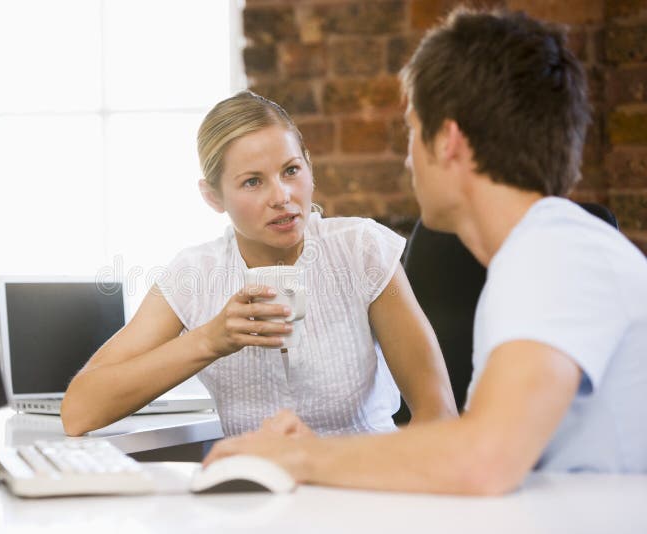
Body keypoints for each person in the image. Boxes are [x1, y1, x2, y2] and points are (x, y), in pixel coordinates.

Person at [202, 8, 647, 494]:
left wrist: (298, 456)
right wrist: (325, 453)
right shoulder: (540, 253)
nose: (409, 157)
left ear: (448, 142)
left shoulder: (557, 254)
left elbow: (482, 460)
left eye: (414, 131)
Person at [61, 91, 457, 437]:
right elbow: (78, 412)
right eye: (253, 181)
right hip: (260, 504)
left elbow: (439, 416)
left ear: (309, 167)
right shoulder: (195, 274)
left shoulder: (360, 250)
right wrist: (209, 341)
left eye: (291, 170)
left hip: (366, 495)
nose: (282, 196)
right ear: (213, 197)